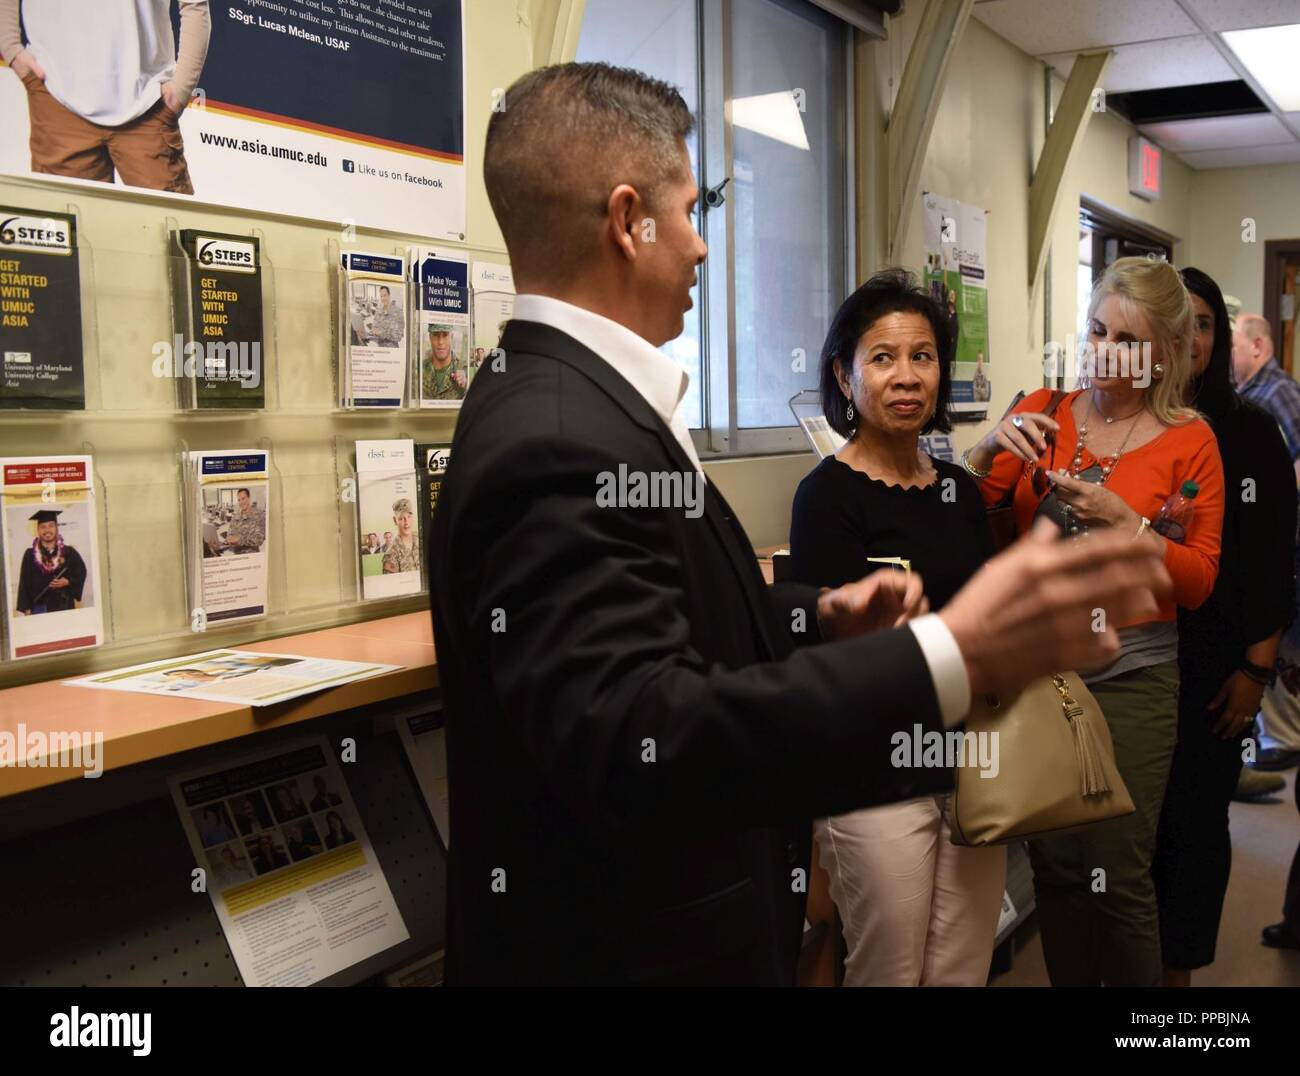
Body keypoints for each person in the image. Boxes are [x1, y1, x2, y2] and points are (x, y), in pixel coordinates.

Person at [426, 61, 1168, 986]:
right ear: (627, 220)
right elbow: (639, 736)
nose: (702, 249)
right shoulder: (561, 435)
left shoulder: (580, 402)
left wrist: (816, 618)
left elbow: (668, 630)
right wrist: (952, 651)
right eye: (690, 212)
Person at [962, 255, 1224, 987]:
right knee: (1058, 871)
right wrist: (985, 449)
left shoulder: (1188, 439)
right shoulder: (1045, 408)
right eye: (1096, 330)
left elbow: (1200, 580)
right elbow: (975, 523)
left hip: (1132, 677)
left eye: (1127, 341)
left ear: (1164, 354)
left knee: (1118, 872)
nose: (1103, 351)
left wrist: (1133, 527)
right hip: (1040, 670)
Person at [789, 268, 1004, 986]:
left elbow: (986, 619)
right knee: (887, 970)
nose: (906, 377)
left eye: (922, 357)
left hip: (971, 757)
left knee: (962, 968)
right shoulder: (825, 498)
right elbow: (839, 652)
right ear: (845, 381)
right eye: (882, 358)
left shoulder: (960, 493)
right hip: (877, 769)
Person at [1151, 268, 1295, 985]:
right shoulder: (1130, 424)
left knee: (1196, 829)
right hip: (1136, 665)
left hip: (1217, 673)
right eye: (1177, 323)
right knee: (1130, 837)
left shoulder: (1250, 433)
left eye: (1203, 322)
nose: (1190, 337)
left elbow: (1273, 566)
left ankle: (1177, 984)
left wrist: (1256, 672)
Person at [1, 0, 210, 194]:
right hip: (57, 97)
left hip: (148, 102)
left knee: (168, 225)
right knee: (67, 227)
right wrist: (10, 46)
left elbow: (194, 4)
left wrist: (181, 90)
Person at [1232, 313, 1300, 772]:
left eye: (1233, 344)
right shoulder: (1250, 394)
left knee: (1284, 637)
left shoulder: (1279, 392)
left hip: (1288, 539)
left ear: (1258, 346)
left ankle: (1285, 736)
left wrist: (1280, 515)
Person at [15, 509, 88, 615]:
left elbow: (81, 572)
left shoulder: (69, 552)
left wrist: (68, 581)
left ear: (57, 528)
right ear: (38, 530)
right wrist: (26, 609)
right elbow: (24, 583)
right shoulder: (30, 555)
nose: (47, 530)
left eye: (51, 526)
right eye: (43, 527)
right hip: (39, 608)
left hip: (64, 607)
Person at [423, 323, 467, 400]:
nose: (440, 342)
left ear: (451, 337)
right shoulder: (418, 369)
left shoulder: (464, 368)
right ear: (430, 337)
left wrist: (466, 384)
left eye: (445, 335)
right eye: (436, 335)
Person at [381, 498, 418, 574]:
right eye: (401, 518)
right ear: (395, 520)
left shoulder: (422, 539)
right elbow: (392, 584)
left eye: (409, 517)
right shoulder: (390, 554)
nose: (406, 522)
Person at [223, 487, 265, 554]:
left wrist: (239, 539)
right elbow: (229, 534)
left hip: (251, 556)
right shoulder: (235, 516)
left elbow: (259, 540)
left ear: (249, 498)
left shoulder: (260, 515)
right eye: (239, 500)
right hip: (237, 555)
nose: (241, 502)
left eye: (243, 499)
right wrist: (226, 541)